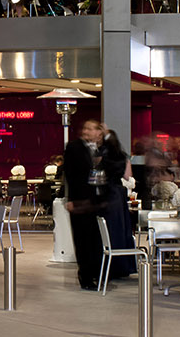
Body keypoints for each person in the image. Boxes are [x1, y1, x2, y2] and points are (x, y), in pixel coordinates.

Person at [63, 118, 106, 290]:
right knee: (83, 240)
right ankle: (86, 277)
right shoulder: (74, 147)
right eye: (86, 128)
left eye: (92, 129)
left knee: (95, 240)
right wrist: (70, 199)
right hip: (80, 201)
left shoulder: (98, 149)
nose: (87, 131)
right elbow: (70, 175)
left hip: (94, 201)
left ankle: (96, 273)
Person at [98, 128, 136, 280]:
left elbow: (95, 177)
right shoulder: (122, 156)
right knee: (120, 228)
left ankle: (106, 265)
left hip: (104, 193)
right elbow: (128, 177)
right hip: (118, 195)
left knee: (107, 230)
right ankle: (122, 266)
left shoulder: (100, 155)